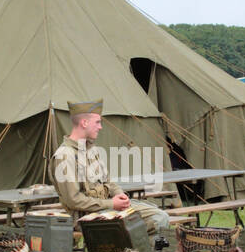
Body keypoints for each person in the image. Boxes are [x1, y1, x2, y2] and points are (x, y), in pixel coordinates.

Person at [50, 99, 171, 236]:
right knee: (137, 225)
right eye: (97, 122)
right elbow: (74, 200)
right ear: (84, 123)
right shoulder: (65, 156)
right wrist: (111, 204)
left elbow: (108, 182)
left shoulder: (91, 150)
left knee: (160, 216)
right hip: (87, 218)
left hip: (108, 209)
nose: (100, 127)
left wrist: (119, 194)